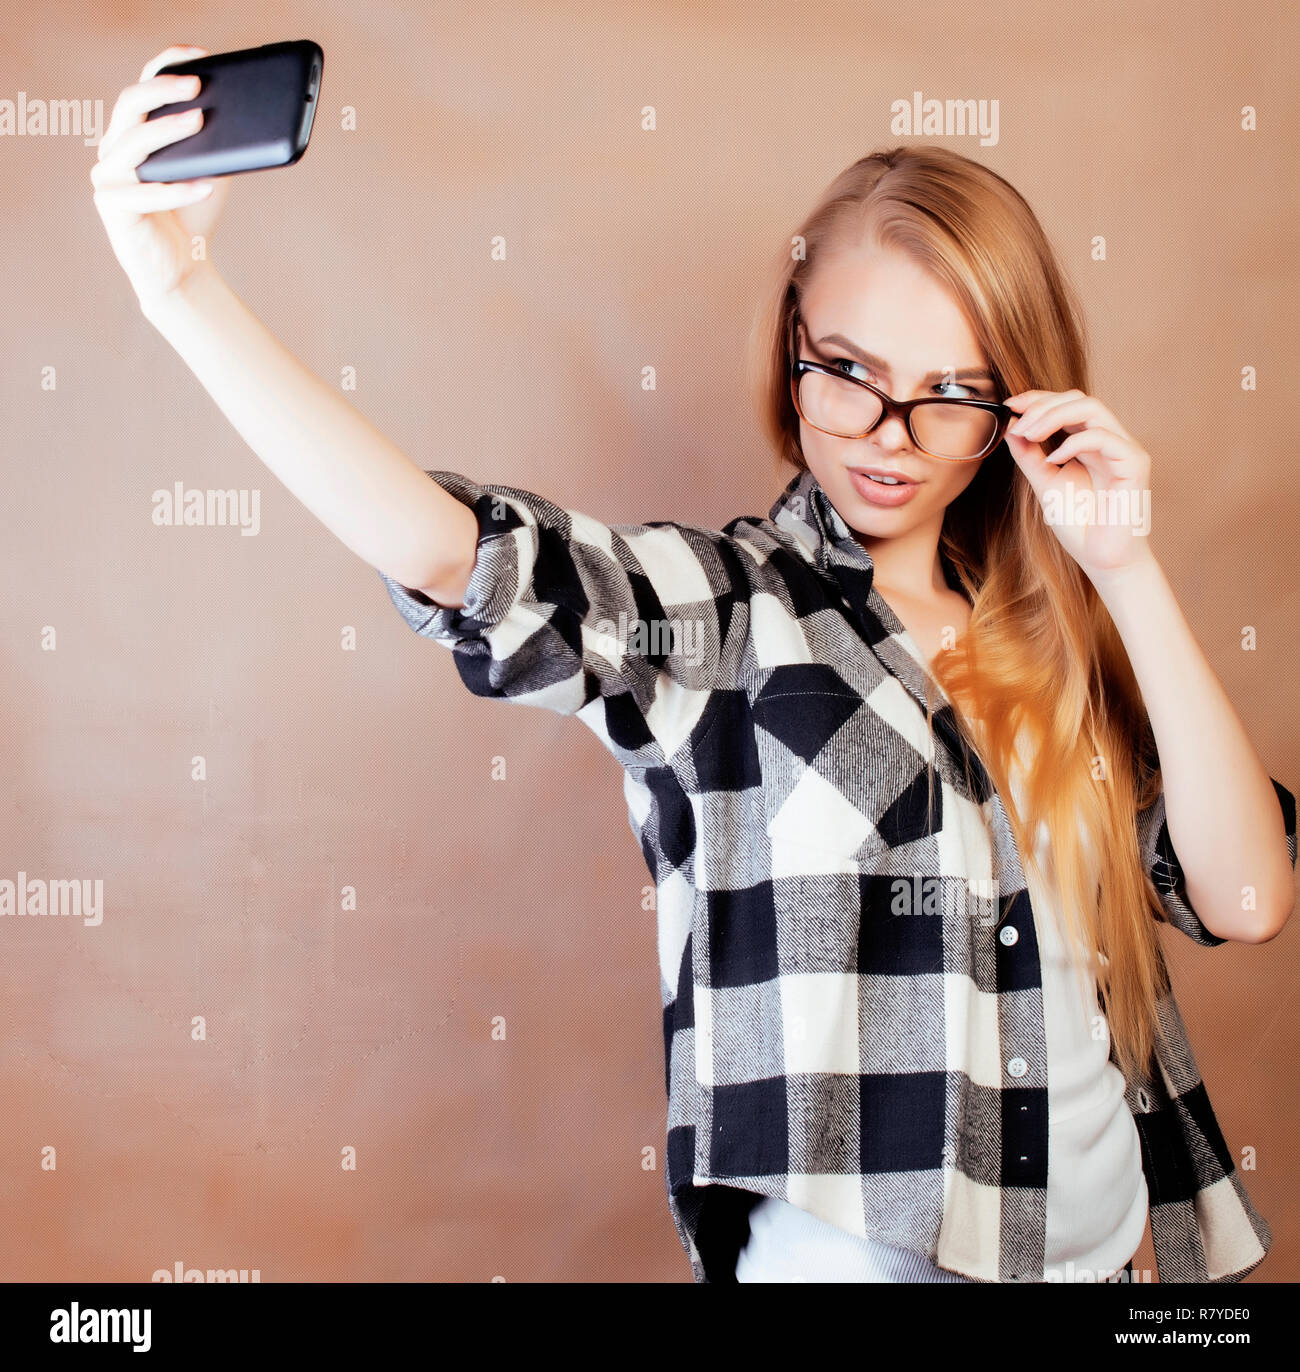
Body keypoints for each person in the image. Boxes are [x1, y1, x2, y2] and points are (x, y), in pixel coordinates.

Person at [92, 45, 1297, 1284]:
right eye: (849, 375)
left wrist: (1125, 569)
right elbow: (455, 558)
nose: (891, 437)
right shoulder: (723, 615)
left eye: (950, 392)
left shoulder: (1049, 640)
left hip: (1120, 1263)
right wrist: (182, 288)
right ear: (792, 352)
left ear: (1014, 407)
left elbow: (1245, 901)